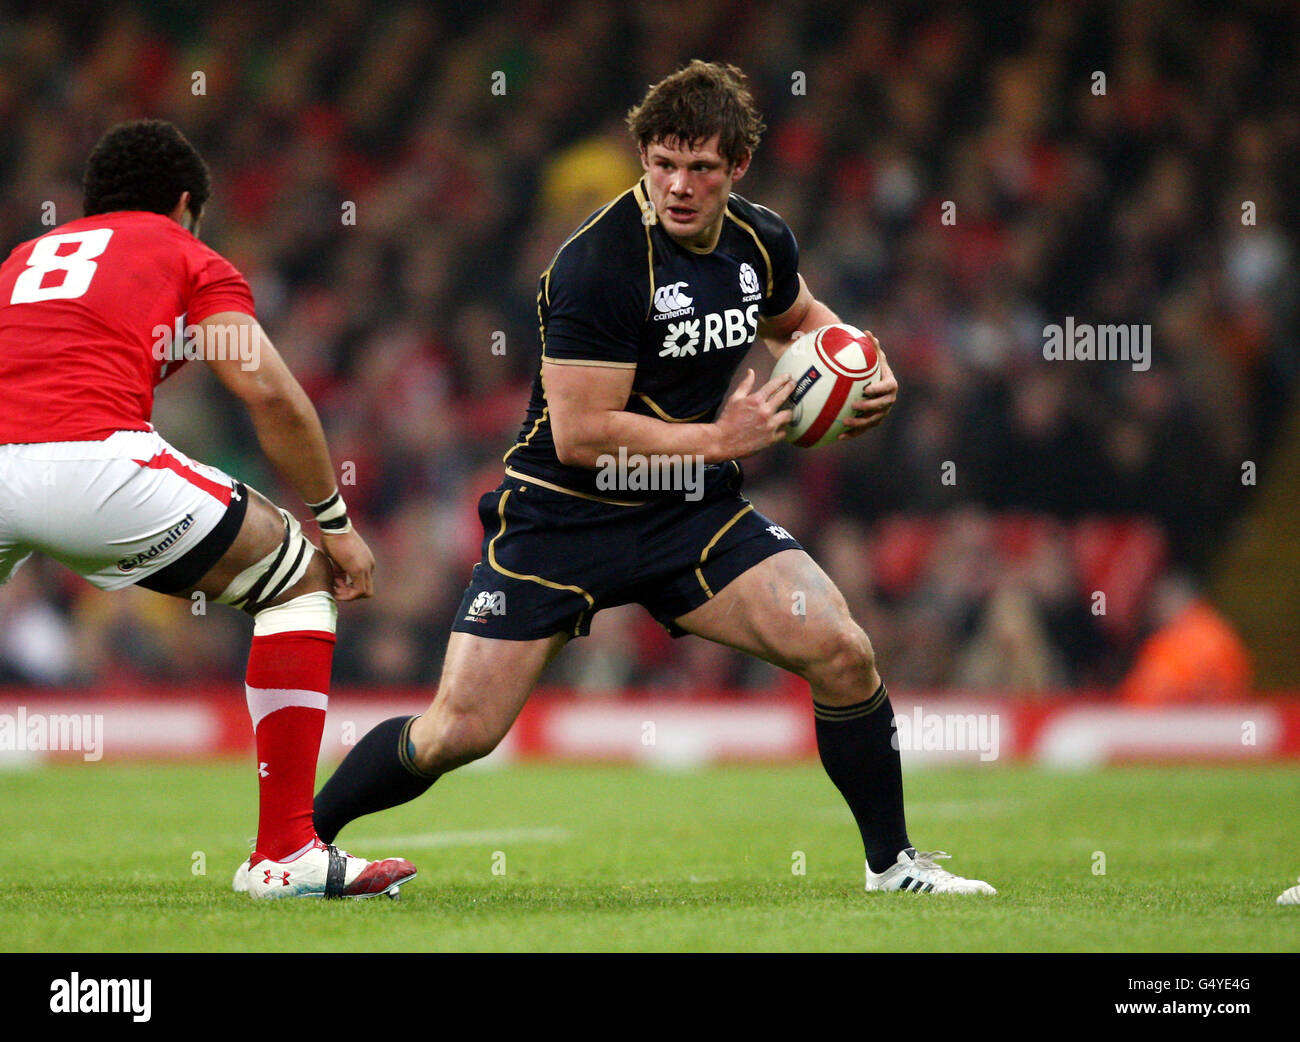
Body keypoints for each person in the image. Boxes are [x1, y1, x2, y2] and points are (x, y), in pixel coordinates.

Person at [313, 62, 995, 894]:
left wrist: (865, 365)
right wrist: (719, 438)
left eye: (701, 167)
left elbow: (804, 322)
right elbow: (580, 434)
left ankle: (893, 866)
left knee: (842, 649)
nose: (677, 185)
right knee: (458, 731)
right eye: (662, 163)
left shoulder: (759, 239)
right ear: (642, 156)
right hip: (561, 520)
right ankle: (298, 845)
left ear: (738, 166)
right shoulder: (597, 263)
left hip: (686, 517)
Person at [0, 119, 414, 899]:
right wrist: (335, 521)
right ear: (187, 205)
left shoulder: (23, 259)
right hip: (92, 460)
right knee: (296, 578)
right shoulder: (188, 253)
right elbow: (266, 390)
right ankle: (286, 852)